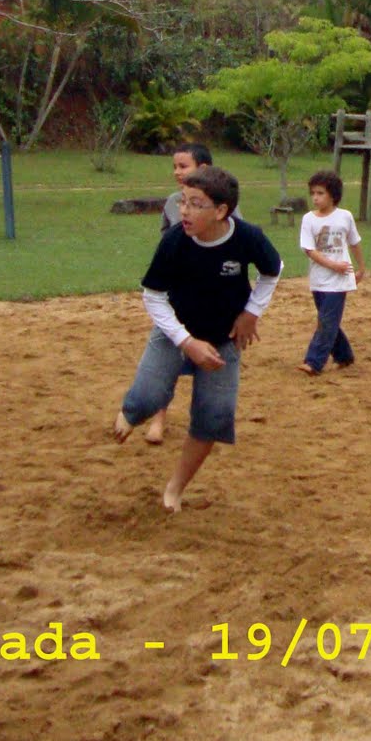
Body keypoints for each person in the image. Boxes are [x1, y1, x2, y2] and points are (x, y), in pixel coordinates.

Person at [113, 167, 282, 512]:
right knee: (146, 398)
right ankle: (131, 413)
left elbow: (273, 268)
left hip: (223, 341)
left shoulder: (247, 237)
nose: (184, 211)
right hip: (173, 333)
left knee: (213, 418)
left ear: (221, 211)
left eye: (195, 204)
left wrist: (252, 312)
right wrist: (185, 341)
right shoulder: (175, 241)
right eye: (182, 202)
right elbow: (153, 296)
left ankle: (174, 490)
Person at [148, 142, 217, 444]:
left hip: (213, 295)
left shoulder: (224, 202)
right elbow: (166, 246)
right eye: (175, 166)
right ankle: (158, 417)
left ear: (203, 169)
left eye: (183, 166)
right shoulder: (172, 202)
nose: (177, 172)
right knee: (169, 357)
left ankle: (203, 424)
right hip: (179, 293)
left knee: (211, 362)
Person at [298, 169, 364, 375]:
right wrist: (332, 265)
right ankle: (344, 355)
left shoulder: (345, 216)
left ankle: (314, 362)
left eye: (320, 193)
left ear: (333, 195)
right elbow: (310, 250)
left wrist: (361, 268)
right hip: (319, 279)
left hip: (340, 281)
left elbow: (355, 242)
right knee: (328, 320)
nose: (315, 198)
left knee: (327, 320)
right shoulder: (308, 219)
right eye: (313, 193)